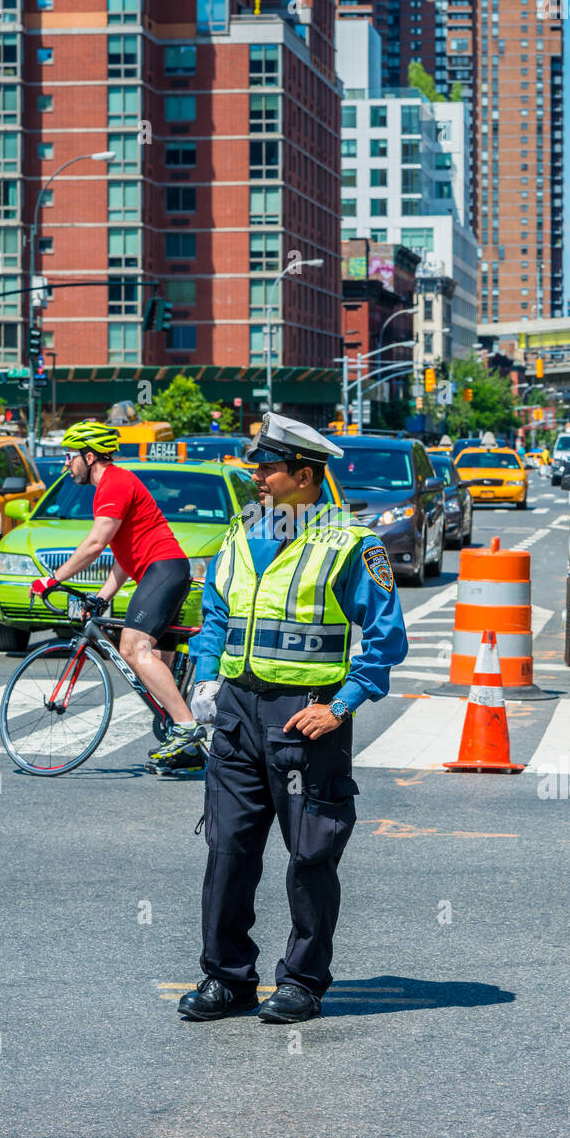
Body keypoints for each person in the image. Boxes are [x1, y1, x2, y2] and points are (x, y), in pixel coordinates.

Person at [177, 413, 409, 1024]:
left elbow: (386, 641)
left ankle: (303, 981)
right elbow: (216, 613)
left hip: (304, 719)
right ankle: (226, 978)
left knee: (310, 855)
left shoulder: (352, 544)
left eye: (269, 468)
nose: (258, 477)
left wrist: (341, 706)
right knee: (228, 848)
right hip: (237, 714)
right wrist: (206, 676)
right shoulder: (239, 535)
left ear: (304, 476)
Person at [28, 421, 205, 767]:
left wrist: (52, 579)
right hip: (164, 572)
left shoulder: (113, 484)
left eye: (69, 456)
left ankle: (187, 726)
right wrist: (102, 596)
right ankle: (185, 748)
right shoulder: (115, 483)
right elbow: (124, 556)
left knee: (131, 648)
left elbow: (95, 544)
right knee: (156, 673)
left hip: (163, 571)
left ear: (89, 456)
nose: (66, 464)